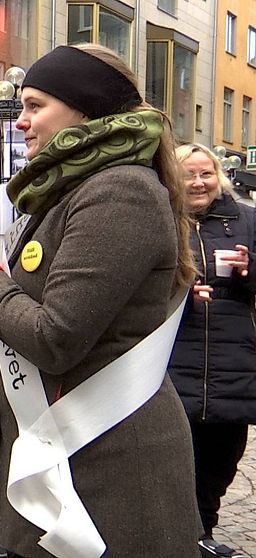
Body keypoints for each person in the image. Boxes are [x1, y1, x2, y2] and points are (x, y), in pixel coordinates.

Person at [0, 44, 202, 556]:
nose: (22, 121)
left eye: (35, 105)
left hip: (108, 466)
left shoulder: (118, 191)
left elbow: (55, 338)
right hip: (70, 453)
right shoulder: (76, 187)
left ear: (85, 110)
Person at [167, 143, 255, 558]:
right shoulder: (162, 221)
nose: (198, 182)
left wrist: (249, 269)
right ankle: (180, 536)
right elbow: (140, 286)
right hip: (175, 362)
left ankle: (202, 532)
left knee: (221, 460)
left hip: (234, 362)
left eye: (206, 173)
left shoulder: (247, 220)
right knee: (175, 459)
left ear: (219, 176)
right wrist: (181, 297)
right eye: (189, 174)